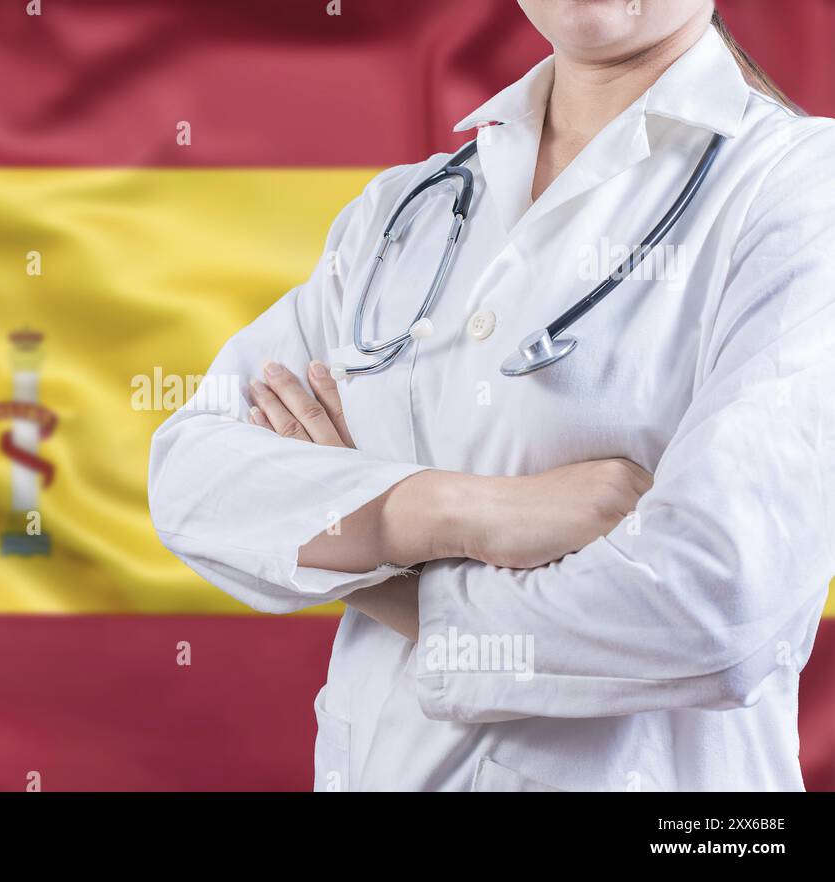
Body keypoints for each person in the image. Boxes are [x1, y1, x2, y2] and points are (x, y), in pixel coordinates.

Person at [148, 0, 835, 791]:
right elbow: (192, 478)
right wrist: (452, 512)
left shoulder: (797, 190)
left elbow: (717, 606)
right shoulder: (403, 211)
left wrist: (369, 554)